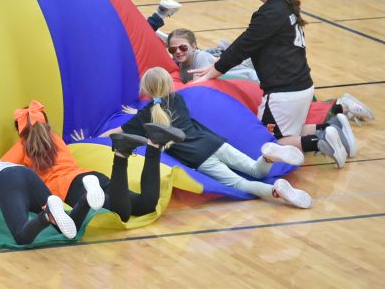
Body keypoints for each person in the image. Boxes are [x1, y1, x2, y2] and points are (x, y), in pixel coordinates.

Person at [188, 0, 356, 167]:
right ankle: (331, 128)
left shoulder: (270, 13)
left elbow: (242, 47)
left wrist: (210, 73)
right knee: (289, 132)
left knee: (268, 142)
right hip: (301, 87)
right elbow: (245, 46)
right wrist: (214, 64)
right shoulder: (283, 7)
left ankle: (319, 141)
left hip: (284, 94)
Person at [102, 67, 311, 208]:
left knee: (239, 184)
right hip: (215, 142)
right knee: (254, 170)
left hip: (198, 157)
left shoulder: (145, 116)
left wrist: (88, 139)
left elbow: (117, 133)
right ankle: (269, 157)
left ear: (145, 89)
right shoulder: (177, 99)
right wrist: (137, 115)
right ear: (168, 84)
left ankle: (274, 191)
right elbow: (161, 108)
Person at [2, 100, 181, 229]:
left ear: (20, 131)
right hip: (90, 177)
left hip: (73, 188)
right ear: (46, 124)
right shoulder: (55, 139)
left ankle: (121, 154)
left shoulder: (22, 146)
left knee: (122, 214)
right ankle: (155, 144)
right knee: (146, 204)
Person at [166, 29, 257, 83]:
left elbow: (199, 85)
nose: (177, 51)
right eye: (172, 49)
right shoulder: (181, 65)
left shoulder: (201, 57)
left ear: (193, 46)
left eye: (183, 47)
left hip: (249, 77)